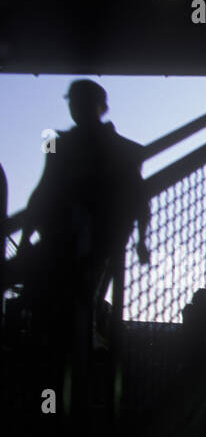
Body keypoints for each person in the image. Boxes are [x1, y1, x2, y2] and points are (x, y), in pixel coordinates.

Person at [14, 80, 150, 412]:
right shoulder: (69, 144)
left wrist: (142, 239)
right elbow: (43, 189)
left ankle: (56, 395)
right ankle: (60, 390)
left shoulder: (108, 148)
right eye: (74, 102)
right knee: (66, 308)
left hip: (89, 244)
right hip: (70, 242)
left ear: (96, 105)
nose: (75, 108)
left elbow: (136, 196)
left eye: (79, 102)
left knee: (67, 306)